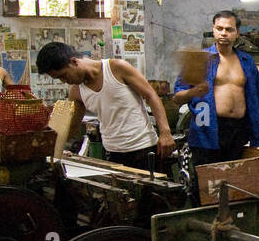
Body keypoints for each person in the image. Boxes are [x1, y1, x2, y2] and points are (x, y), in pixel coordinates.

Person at [35, 42, 174, 169]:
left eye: (63, 76)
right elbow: (71, 126)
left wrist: (165, 132)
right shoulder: (76, 91)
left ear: (74, 62)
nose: (65, 81)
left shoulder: (117, 68)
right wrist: (56, 149)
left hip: (144, 148)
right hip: (113, 154)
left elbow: (151, 95)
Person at [172, 11, 259, 166]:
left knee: (236, 182)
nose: (223, 33)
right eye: (220, 28)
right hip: (208, 131)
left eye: (229, 29)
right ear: (213, 29)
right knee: (208, 184)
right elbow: (177, 98)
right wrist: (193, 92)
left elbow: (258, 99)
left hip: (239, 132)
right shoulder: (201, 60)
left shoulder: (246, 61)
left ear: (237, 33)